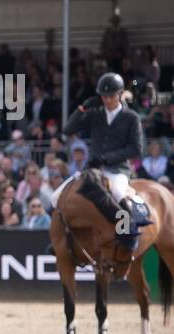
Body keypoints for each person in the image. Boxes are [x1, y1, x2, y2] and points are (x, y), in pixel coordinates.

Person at [60, 72, 147, 248]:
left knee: (119, 194)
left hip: (117, 169)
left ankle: (128, 234)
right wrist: (81, 109)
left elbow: (136, 148)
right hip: (93, 170)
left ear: (120, 94)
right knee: (59, 196)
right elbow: (68, 130)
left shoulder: (131, 118)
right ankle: (60, 240)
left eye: (111, 96)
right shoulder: (95, 114)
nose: (107, 100)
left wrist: (107, 158)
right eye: (104, 96)